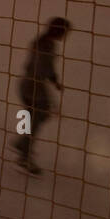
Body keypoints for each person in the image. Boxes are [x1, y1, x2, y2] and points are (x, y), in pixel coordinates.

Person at [11, 18, 69, 174]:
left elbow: (38, 67)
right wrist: (48, 96)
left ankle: (22, 145)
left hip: (26, 86)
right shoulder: (46, 47)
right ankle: (23, 156)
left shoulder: (42, 43)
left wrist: (54, 81)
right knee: (37, 119)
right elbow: (41, 71)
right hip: (32, 88)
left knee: (35, 117)